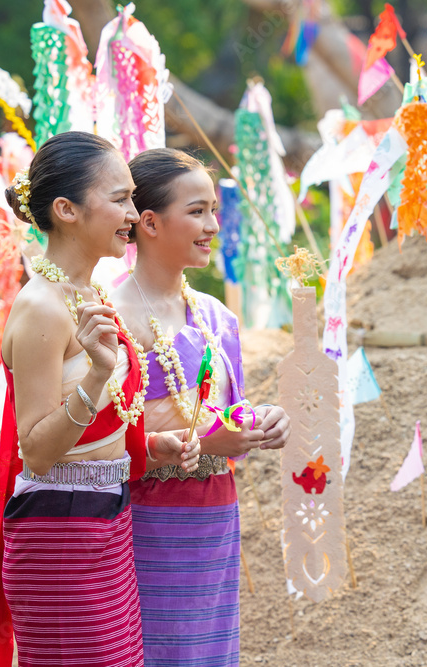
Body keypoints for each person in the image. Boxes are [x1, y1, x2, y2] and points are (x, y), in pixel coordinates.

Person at [0, 132, 201, 667]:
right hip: (60, 535)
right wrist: (98, 375)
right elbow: (35, 452)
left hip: (105, 521)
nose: (133, 211)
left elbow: (89, 430)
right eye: (120, 198)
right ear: (66, 209)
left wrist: (146, 444)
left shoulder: (90, 294)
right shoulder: (43, 308)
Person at [111, 147, 290, 666]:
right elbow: (101, 438)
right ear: (148, 222)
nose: (212, 224)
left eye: (213, 209)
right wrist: (207, 440)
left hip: (215, 513)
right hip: (148, 519)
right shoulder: (111, 316)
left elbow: (222, 415)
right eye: (196, 212)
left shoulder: (215, 316)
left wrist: (259, 422)